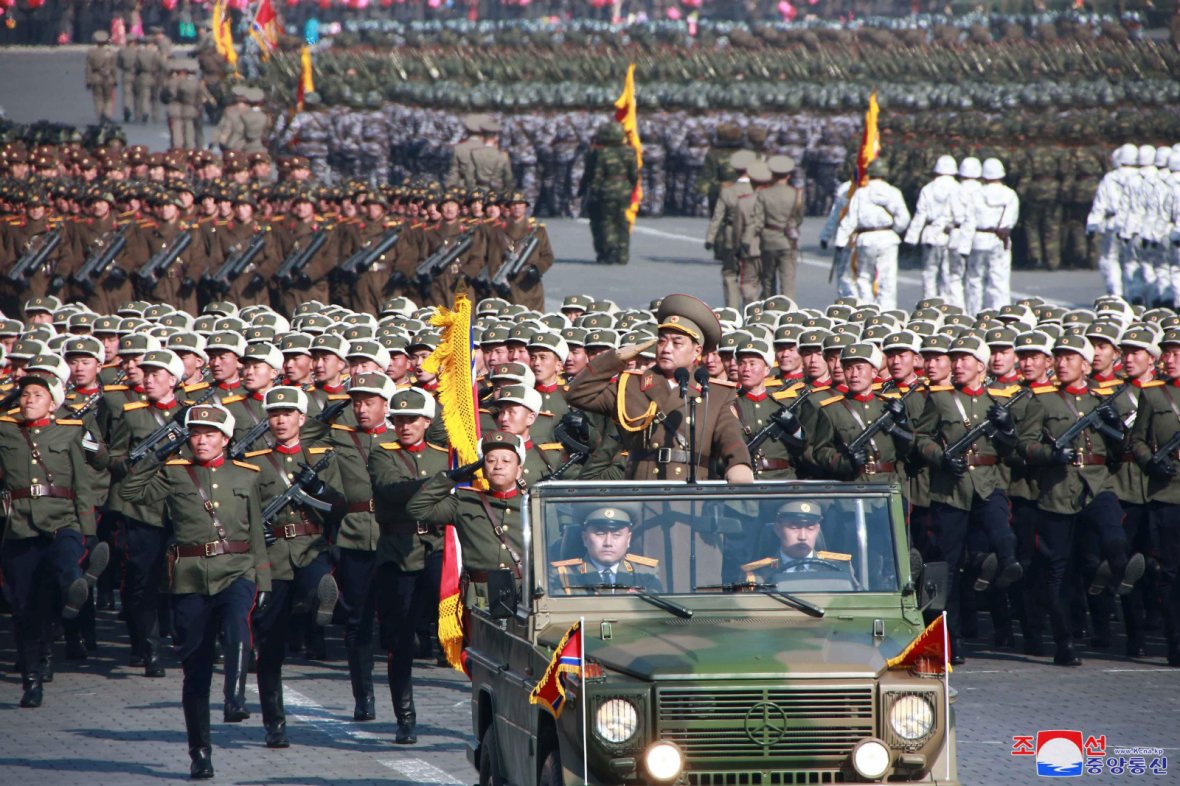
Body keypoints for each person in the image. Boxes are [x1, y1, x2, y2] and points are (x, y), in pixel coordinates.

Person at [121, 403, 269, 780]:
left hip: (237, 569)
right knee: (196, 670)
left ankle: (235, 698)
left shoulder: (246, 475)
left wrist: (263, 578)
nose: (202, 440)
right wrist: (159, 454)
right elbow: (130, 491)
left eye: (210, 434)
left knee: (238, 622)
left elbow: (255, 533)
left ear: (226, 438)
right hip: (188, 577)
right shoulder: (175, 475)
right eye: (196, 434)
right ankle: (200, 752)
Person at [565, 293, 753, 483]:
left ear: (697, 350)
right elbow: (578, 395)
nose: (666, 348)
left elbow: (730, 437)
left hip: (692, 494)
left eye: (677, 342)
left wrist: (739, 465)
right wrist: (614, 359)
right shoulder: (631, 385)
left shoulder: (715, 392)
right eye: (662, 340)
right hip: (643, 491)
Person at [0, 374, 103, 708]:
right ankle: (32, 676)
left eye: (38, 395)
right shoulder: (5, 430)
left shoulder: (70, 431)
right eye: (25, 394)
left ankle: (79, 585)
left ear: (53, 402)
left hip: (63, 520)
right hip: (19, 527)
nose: (29, 399)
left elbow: (84, 481)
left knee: (64, 570)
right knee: (26, 607)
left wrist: (88, 529)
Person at [248, 386, 343, 748]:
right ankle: (275, 724)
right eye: (275, 414)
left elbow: (340, 505)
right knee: (270, 647)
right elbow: (245, 511)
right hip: (271, 557)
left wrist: (316, 485)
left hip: (309, 548)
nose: (281, 420)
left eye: (288, 414)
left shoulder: (321, 457)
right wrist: (258, 536)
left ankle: (320, 605)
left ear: (302, 419)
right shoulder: (254, 462)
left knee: (317, 582)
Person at [368, 388, 450, 744]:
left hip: (435, 549)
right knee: (399, 640)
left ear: (427, 422)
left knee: (446, 610)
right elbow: (392, 490)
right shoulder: (381, 454)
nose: (404, 426)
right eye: (398, 420)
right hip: (396, 555)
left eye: (412, 419)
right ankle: (405, 716)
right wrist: (443, 482)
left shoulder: (444, 455)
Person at [406, 430, 527, 610]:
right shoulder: (464, 501)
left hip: (522, 591)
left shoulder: (531, 503)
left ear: (519, 470)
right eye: (491, 460)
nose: (498, 466)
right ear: (483, 470)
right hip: (479, 595)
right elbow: (416, 508)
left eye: (506, 461)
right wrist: (449, 479)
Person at [834, 159, 910, 309]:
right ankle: (887, 312)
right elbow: (904, 218)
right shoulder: (893, 192)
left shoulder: (861, 193)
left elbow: (850, 220)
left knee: (864, 277)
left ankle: (867, 309)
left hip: (866, 238)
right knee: (887, 278)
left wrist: (840, 242)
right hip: (888, 238)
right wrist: (894, 231)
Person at [550, 507, 661, 592]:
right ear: (585, 538)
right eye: (600, 533)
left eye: (616, 534)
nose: (608, 543)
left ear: (628, 540)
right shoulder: (562, 576)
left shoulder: (645, 574)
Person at [740, 500, 847, 581]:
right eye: (794, 527)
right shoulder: (756, 574)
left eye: (810, 527)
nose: (803, 536)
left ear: (818, 530)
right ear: (778, 529)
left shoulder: (838, 567)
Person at [966, 158, 1020, 313]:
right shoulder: (1010, 194)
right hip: (1000, 239)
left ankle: (974, 313)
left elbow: (969, 220)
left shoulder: (976, 194)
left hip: (978, 239)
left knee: (975, 279)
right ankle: (1001, 313)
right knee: (999, 279)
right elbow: (1011, 218)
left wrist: (963, 247)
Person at [748, 155, 805, 300]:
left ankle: (769, 311)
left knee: (768, 280)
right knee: (788, 282)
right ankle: (789, 314)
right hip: (788, 241)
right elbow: (799, 219)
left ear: (771, 174)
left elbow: (758, 222)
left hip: (768, 240)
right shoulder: (795, 194)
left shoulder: (763, 193)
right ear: (788, 175)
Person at [582, 122, 639, 266]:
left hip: (606, 190)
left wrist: (593, 190)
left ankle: (610, 249)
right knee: (622, 222)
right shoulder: (629, 151)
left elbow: (597, 174)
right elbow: (634, 174)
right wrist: (630, 188)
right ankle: (623, 254)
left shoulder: (602, 152)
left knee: (606, 221)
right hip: (624, 189)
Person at [85, 31, 118, 124]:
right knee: (109, 99)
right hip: (108, 78)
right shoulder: (111, 53)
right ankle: (107, 115)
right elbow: (113, 68)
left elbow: (88, 68)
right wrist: (115, 79)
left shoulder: (91, 53)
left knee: (98, 98)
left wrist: (88, 80)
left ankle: (100, 116)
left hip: (95, 77)